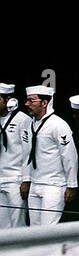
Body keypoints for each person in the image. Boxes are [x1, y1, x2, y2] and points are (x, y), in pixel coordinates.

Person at [23, 85, 77, 226]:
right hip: (35, 183)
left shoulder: (58, 125)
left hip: (53, 184)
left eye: (31, 101)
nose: (27, 104)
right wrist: (26, 179)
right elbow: (27, 154)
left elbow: (69, 156)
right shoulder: (30, 124)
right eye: (27, 100)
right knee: (34, 230)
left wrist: (71, 185)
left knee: (49, 228)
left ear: (44, 103)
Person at [0, 83, 32, 228]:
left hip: (15, 179)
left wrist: (26, 180)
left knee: (18, 224)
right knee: (2, 225)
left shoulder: (22, 119)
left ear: (9, 100)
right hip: (0, 177)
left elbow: (28, 152)